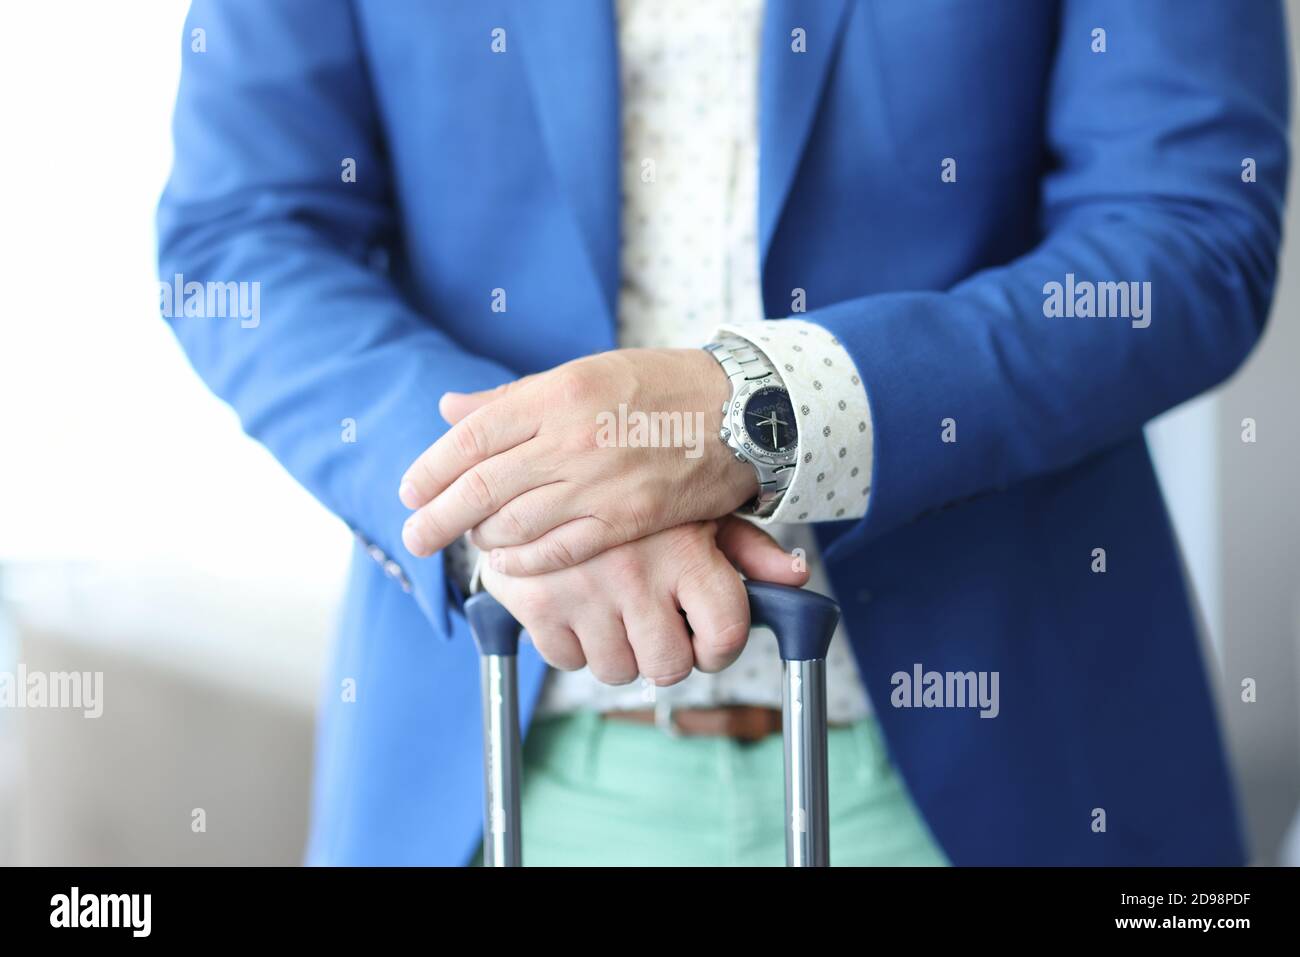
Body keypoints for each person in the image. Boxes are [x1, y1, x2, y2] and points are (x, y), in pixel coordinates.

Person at [158, 0, 1290, 865]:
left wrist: (747, 414)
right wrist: (517, 495)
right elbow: (242, 240)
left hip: (1016, 771)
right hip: (494, 776)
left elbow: (1185, 232)